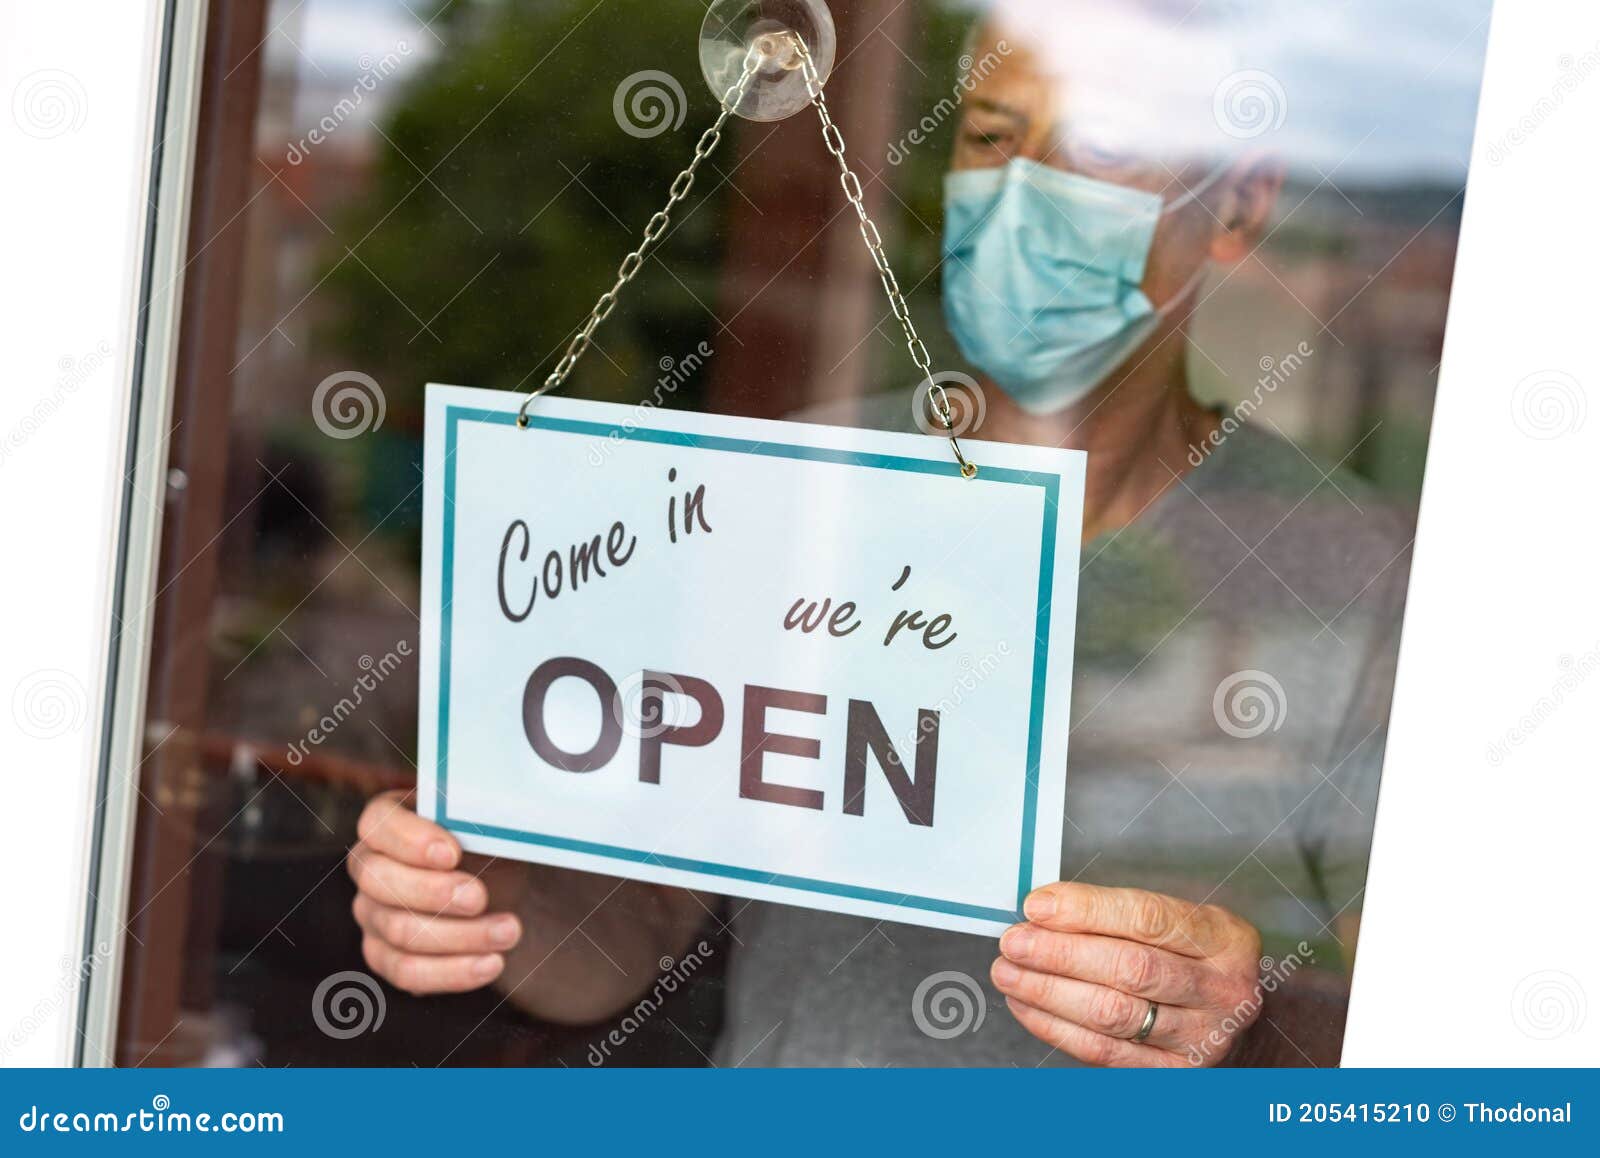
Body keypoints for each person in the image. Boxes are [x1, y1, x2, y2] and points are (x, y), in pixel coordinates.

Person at [346, 0, 1409, 1066]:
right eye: (990, 138)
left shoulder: (1351, 567)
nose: (1023, 192)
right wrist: (486, 891)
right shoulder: (798, 489)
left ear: (1239, 200)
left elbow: (1430, 1034)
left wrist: (1250, 1022)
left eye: (1101, 144)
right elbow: (631, 937)